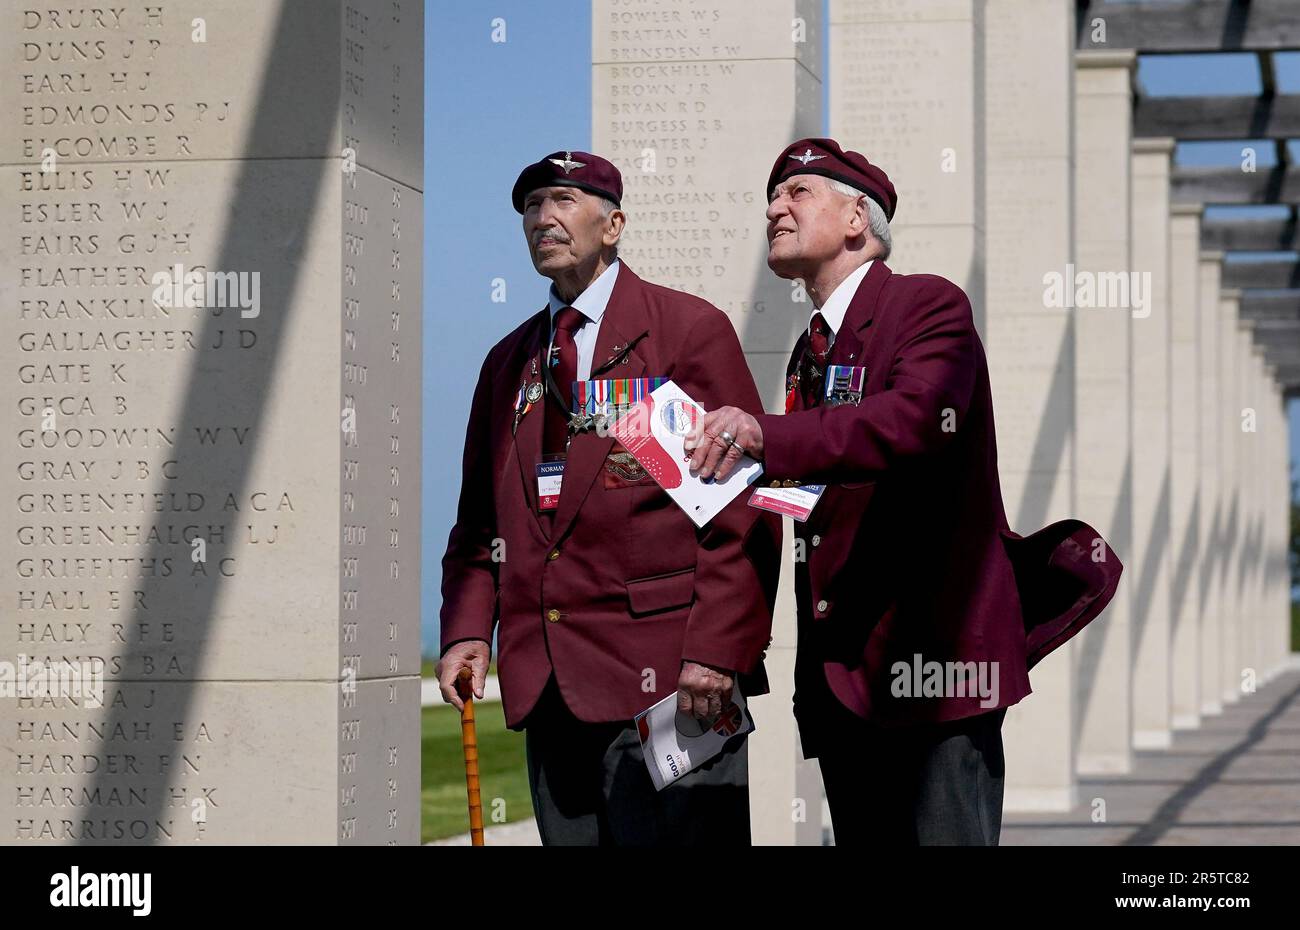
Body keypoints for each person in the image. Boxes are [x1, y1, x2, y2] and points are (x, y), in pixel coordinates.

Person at [687, 138, 1122, 845]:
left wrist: (768, 436)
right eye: (772, 197)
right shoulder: (809, 352)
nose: (774, 209)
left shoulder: (927, 304)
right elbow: (816, 491)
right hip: (842, 682)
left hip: (934, 669)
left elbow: (915, 420)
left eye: (797, 193)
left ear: (857, 219)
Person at [438, 150, 781, 845]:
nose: (543, 218)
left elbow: (742, 509)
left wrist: (717, 651)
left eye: (563, 201)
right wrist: (468, 628)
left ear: (614, 224)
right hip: (549, 685)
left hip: (675, 685)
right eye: (531, 206)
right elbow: (478, 522)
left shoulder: (685, 330)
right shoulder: (507, 363)